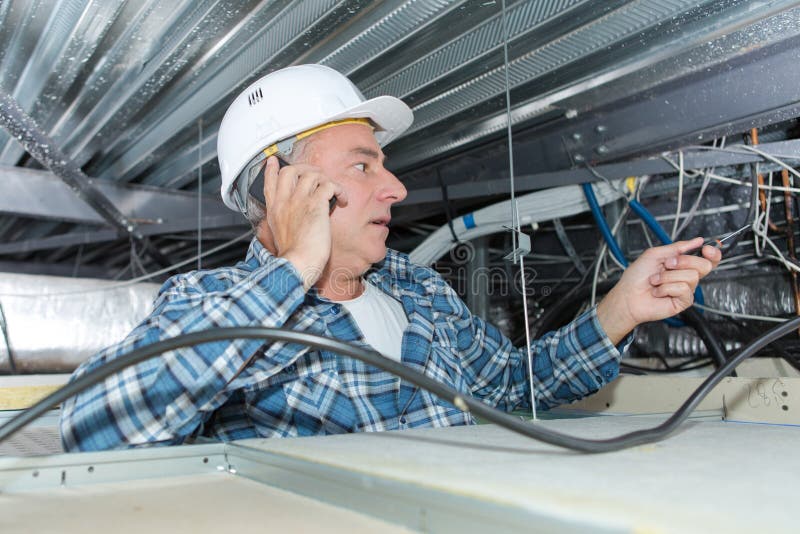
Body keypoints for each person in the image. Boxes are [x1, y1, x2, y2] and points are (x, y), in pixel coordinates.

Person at [60, 65, 720, 451]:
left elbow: (512, 392)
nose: (396, 188)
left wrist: (618, 311)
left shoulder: (419, 290)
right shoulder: (206, 306)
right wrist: (292, 268)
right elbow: (92, 429)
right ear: (278, 185)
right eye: (362, 164)